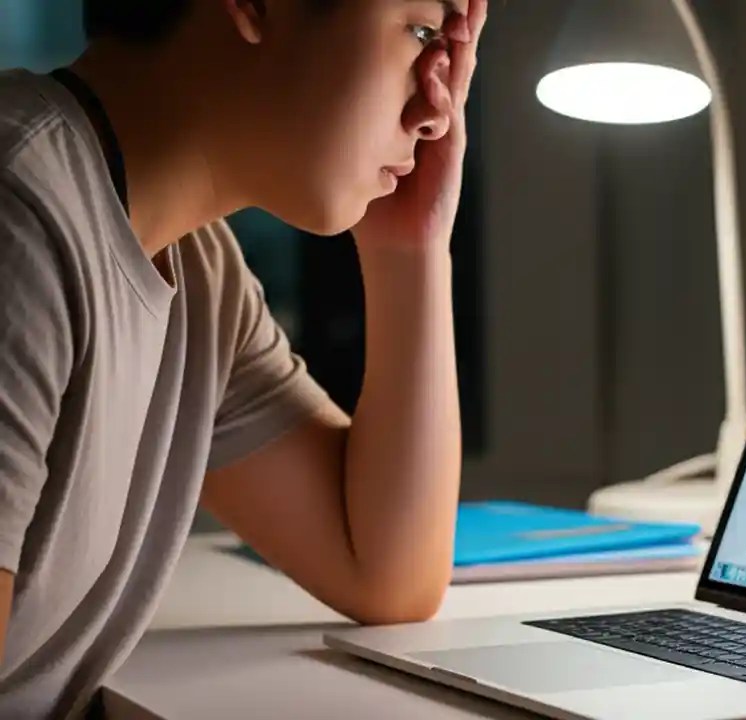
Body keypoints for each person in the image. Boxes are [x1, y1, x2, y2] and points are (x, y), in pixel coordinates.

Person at [0, 0, 488, 716]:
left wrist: (408, 250)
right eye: (422, 31)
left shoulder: (197, 270)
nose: (437, 113)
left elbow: (385, 574)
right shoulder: (21, 223)